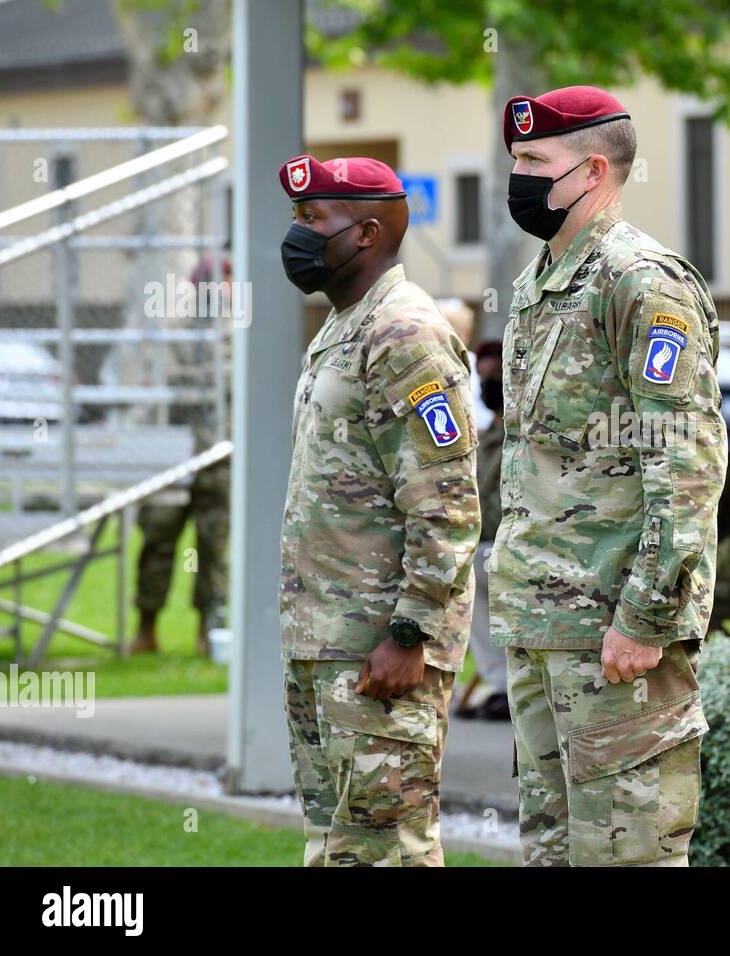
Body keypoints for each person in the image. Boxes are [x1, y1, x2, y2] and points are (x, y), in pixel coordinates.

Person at [488, 86, 727, 867]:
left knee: (631, 852)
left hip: (615, 630)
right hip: (543, 620)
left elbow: (684, 462)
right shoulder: (539, 282)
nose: (515, 176)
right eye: (513, 159)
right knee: (554, 849)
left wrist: (647, 613)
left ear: (592, 170)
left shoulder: (641, 280)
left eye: (532, 161)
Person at [276, 154, 479, 866]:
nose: (297, 235)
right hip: (325, 640)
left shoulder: (403, 332)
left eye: (312, 220)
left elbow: (447, 501)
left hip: (378, 650)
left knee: (385, 848)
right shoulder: (343, 326)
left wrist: (410, 631)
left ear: (364, 233)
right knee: (338, 848)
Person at [129, 253, 232, 656]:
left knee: (214, 547)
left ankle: (210, 631)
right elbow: (160, 390)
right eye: (213, 283)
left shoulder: (239, 338)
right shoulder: (177, 337)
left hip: (219, 459)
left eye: (226, 282)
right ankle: (146, 625)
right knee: (157, 540)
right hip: (173, 457)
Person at [456, 339, 510, 720]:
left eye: (497, 375)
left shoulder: (523, 431)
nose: (490, 382)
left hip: (510, 547)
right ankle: (501, 685)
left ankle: (506, 686)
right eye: (485, 375)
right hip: (484, 545)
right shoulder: (487, 431)